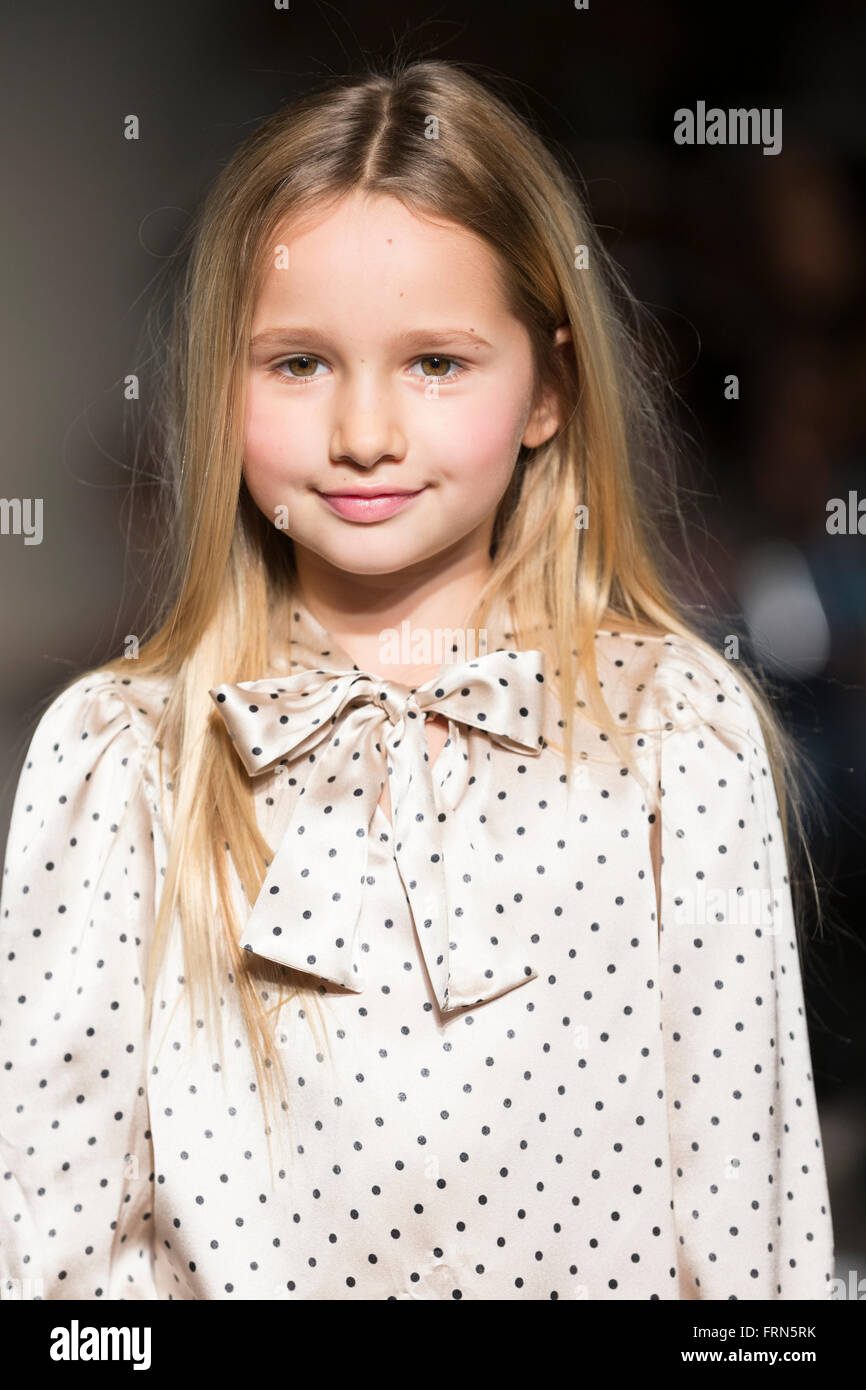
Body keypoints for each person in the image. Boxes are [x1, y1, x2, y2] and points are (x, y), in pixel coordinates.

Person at [0, 58, 834, 1301]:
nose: (365, 433)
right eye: (297, 364)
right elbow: (51, 1247)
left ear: (547, 385)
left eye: (435, 362)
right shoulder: (122, 758)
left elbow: (747, 1225)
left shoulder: (669, 729)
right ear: (215, 381)